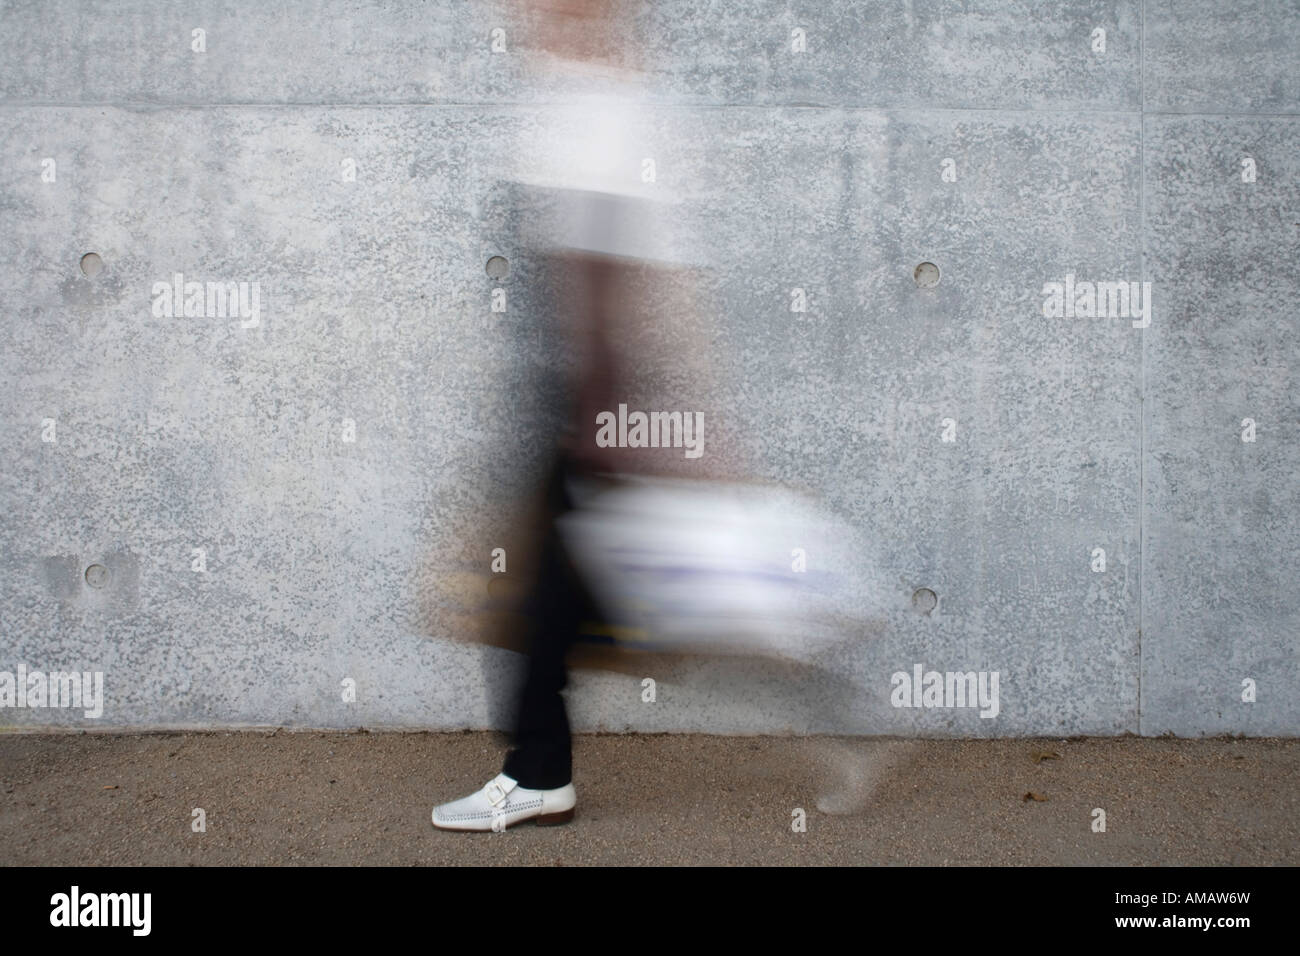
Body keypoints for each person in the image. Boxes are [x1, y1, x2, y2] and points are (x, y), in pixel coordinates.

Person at [432, 0, 677, 831]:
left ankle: (539, 770)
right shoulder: (583, 99)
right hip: (578, 385)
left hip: (586, 390)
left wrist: (591, 408)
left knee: (546, 587)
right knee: (556, 588)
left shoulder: (605, 107)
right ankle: (540, 765)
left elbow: (609, 263)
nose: (529, 16)